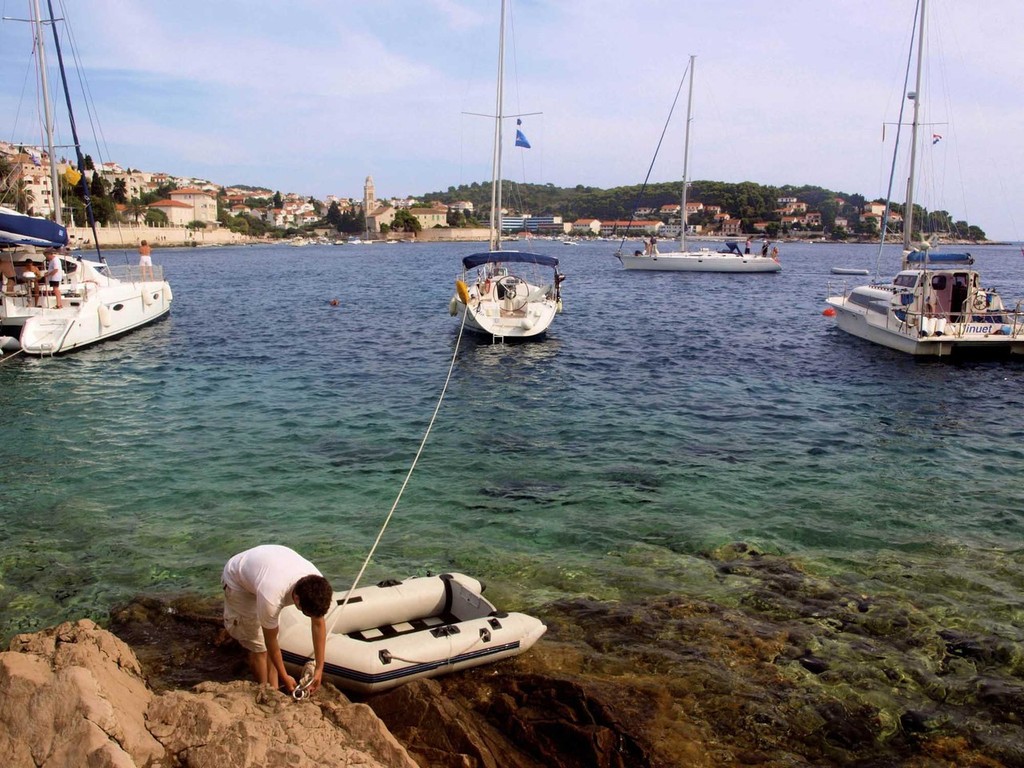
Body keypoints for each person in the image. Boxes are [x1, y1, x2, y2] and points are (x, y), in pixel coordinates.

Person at [221, 545, 334, 695]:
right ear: (297, 599)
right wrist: (285, 676)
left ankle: (274, 688)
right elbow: (270, 641)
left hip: (268, 567)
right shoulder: (272, 597)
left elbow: (318, 624)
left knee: (271, 639)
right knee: (259, 646)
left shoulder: (317, 584)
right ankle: (265, 691)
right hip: (237, 581)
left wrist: (319, 668)